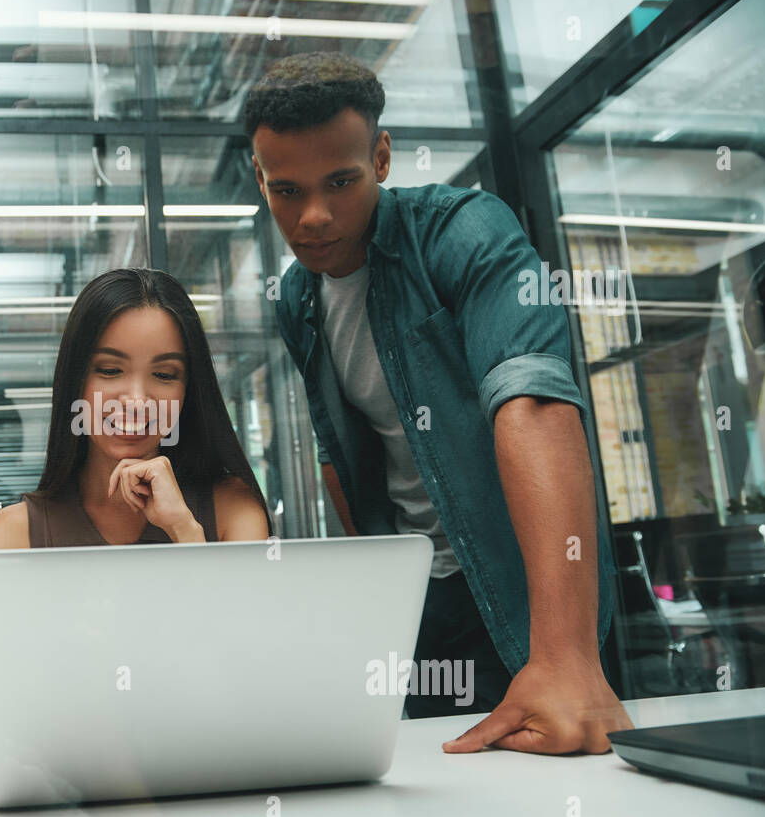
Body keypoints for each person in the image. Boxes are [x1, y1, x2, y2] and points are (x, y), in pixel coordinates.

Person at [243, 52, 632, 754]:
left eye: (341, 181)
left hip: (530, 592)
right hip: (419, 603)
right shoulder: (298, 298)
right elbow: (341, 453)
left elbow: (532, 400)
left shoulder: (465, 232)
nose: (315, 216)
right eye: (286, 190)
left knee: (565, 787)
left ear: (383, 158)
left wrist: (565, 655)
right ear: (260, 178)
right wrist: (376, 604)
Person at [0, 268, 272, 752]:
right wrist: (63, 745)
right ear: (76, 381)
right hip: (64, 803)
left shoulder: (230, 512)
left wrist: (185, 532)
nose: (136, 400)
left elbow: (256, 686)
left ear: (188, 394)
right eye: (109, 370)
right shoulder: (13, 535)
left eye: (165, 375)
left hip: (205, 793)